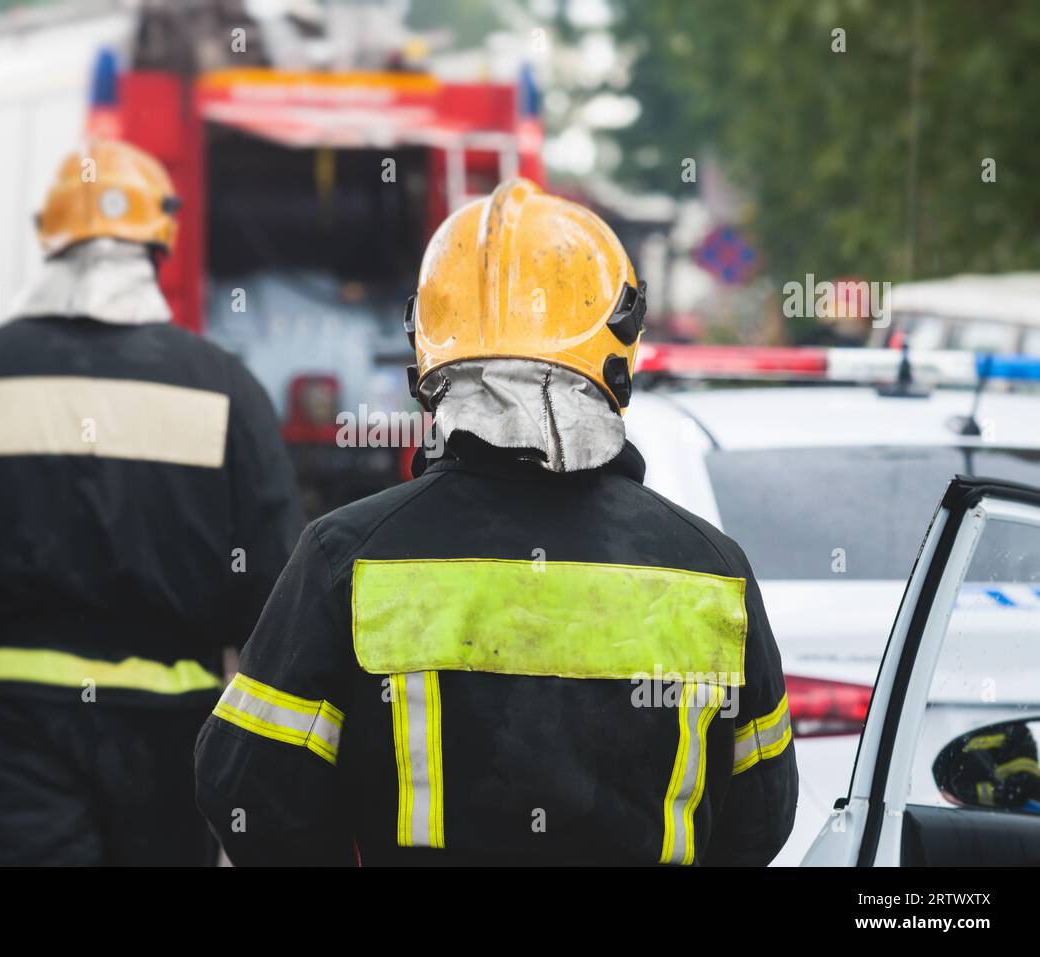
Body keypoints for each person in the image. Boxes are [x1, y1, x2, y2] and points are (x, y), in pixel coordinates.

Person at [195, 178, 797, 865]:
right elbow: (763, 814)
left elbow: (244, 790)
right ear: (619, 342)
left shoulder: (345, 558)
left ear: (428, 349)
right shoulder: (711, 570)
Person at [0, 139, 303, 865]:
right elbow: (276, 592)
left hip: (21, 725)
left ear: (50, 237)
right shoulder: (225, 387)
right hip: (175, 735)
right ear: (159, 243)